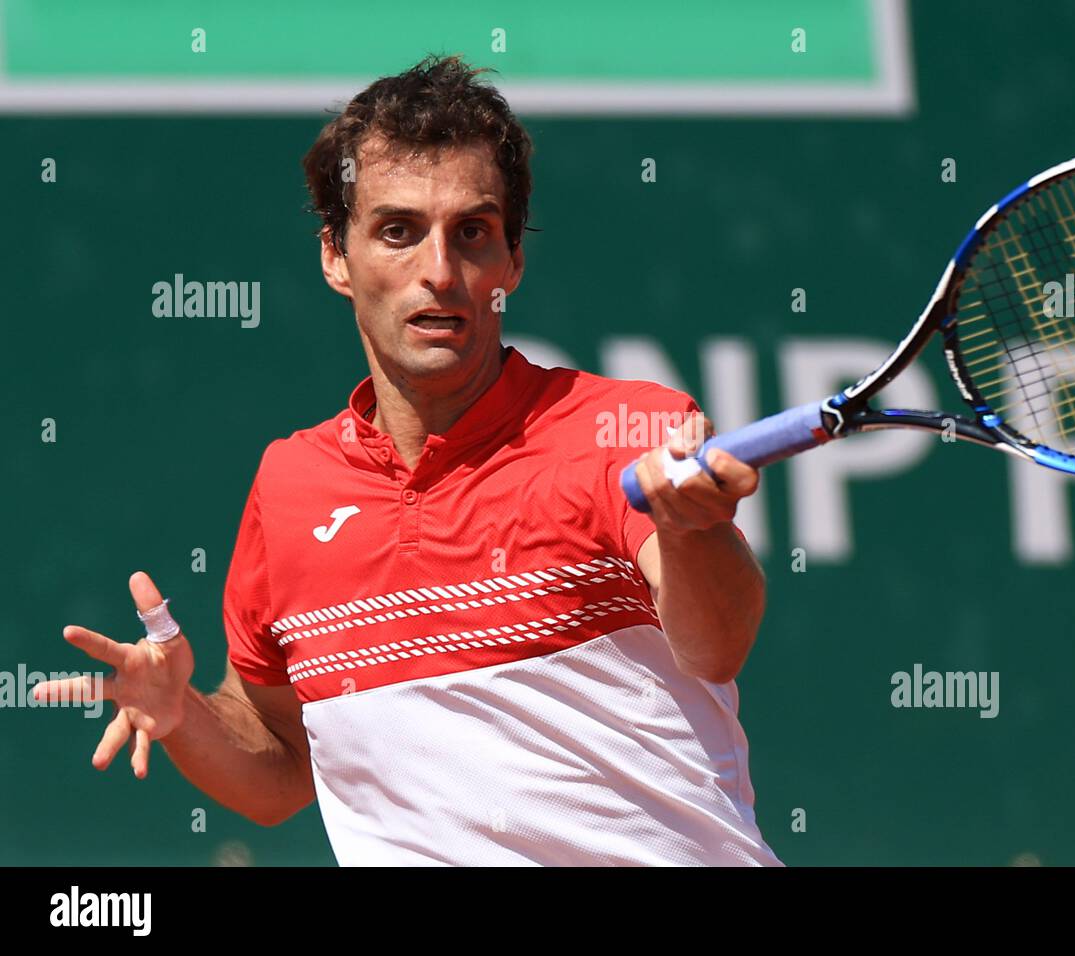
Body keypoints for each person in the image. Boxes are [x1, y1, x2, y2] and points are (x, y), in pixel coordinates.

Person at [34, 54, 781, 866]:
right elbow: (282, 771)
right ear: (336, 257)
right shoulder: (289, 485)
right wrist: (185, 715)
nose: (439, 271)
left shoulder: (627, 427)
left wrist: (696, 531)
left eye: (473, 233)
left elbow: (715, 648)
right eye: (398, 231)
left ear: (513, 262)